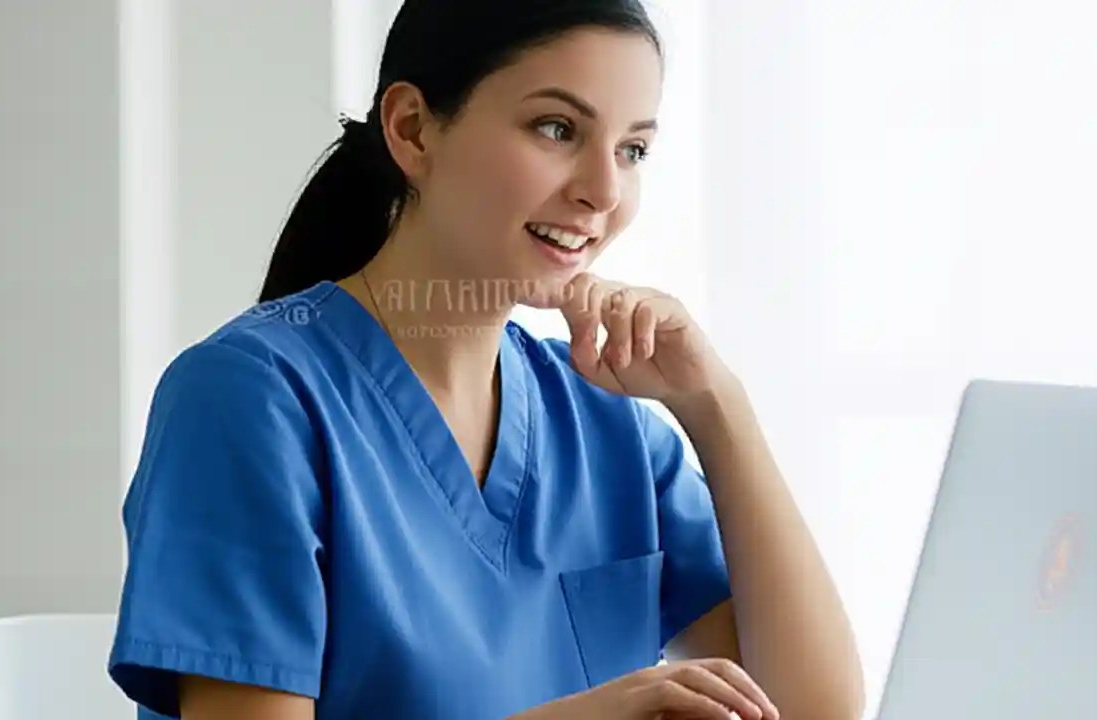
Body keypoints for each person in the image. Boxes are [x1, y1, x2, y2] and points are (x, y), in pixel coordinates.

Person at [107, 1, 865, 718]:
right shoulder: (247, 401)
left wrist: (716, 406)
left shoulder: (607, 422)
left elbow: (813, 710)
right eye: (557, 128)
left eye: (632, 149)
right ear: (412, 130)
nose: (604, 191)